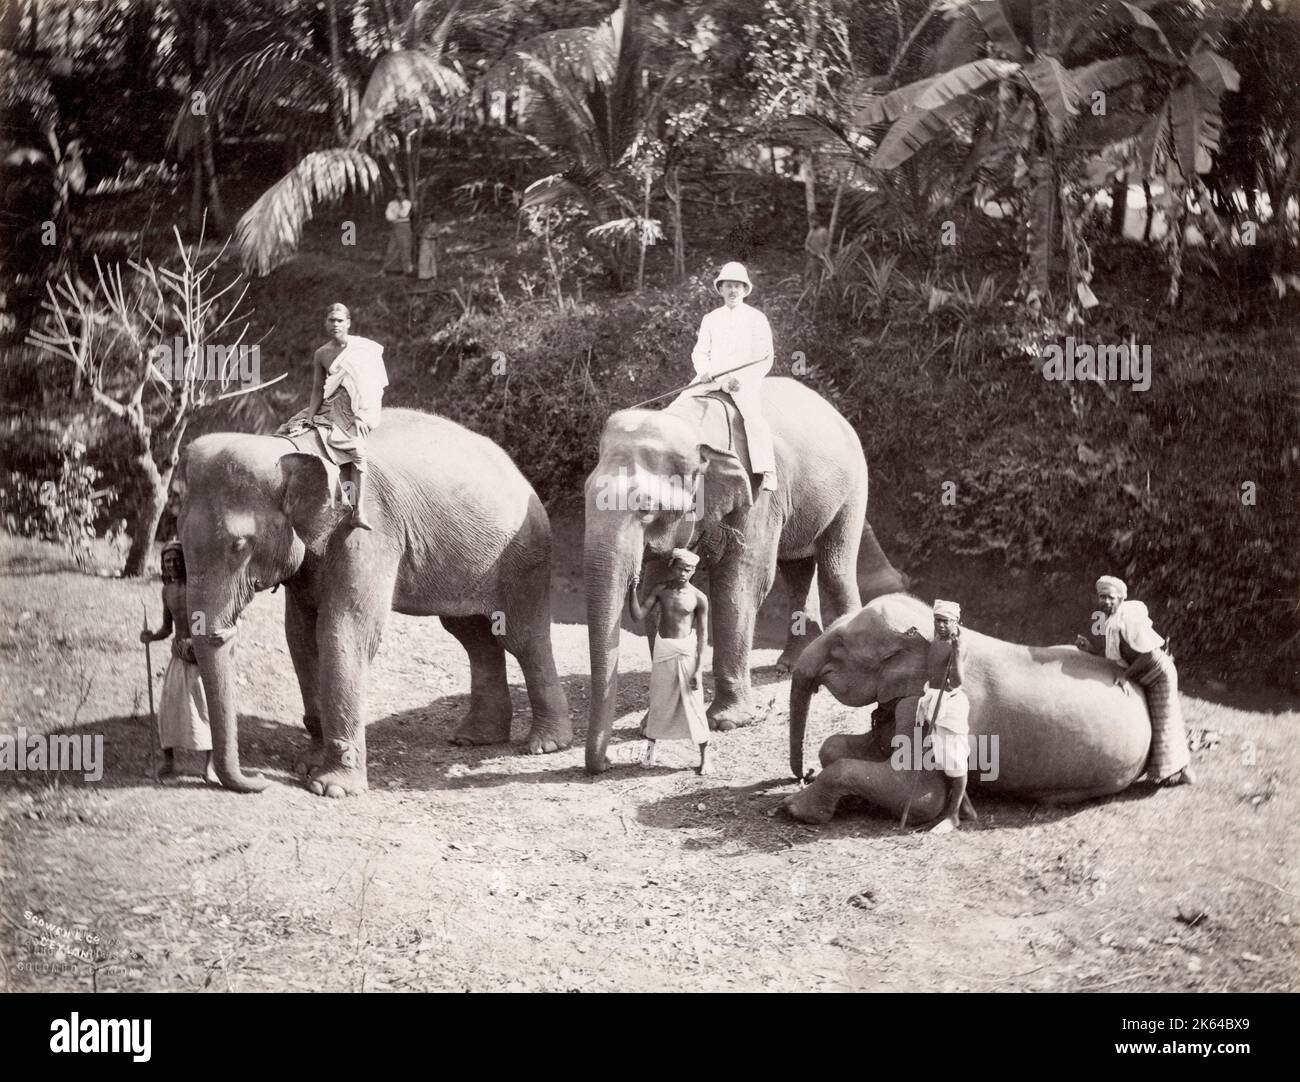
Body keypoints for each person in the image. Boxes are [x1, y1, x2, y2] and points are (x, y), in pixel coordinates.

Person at [1076, 575, 1194, 786]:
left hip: (1157, 672)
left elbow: (1148, 654)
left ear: (1121, 599)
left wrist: (1125, 675)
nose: (1106, 602)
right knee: (1146, 717)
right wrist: (1091, 650)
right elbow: (1117, 653)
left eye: (1111, 597)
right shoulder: (1109, 619)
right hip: (1138, 669)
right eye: (1102, 597)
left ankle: (1182, 771)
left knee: (1165, 719)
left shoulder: (1129, 618)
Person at [278, 303, 388, 530]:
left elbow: (373, 385)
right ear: (325, 323)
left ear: (348, 323)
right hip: (331, 404)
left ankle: (359, 511)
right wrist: (310, 414)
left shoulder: (363, 349)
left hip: (355, 408)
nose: (335, 324)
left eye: (340, 320)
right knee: (290, 431)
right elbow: (318, 388)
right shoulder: (322, 353)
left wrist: (363, 415)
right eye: (331, 320)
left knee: (357, 453)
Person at [690, 261, 777, 492]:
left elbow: (765, 357)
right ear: (720, 289)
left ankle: (767, 470)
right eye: (728, 285)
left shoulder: (757, 318)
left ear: (745, 289)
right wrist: (705, 372)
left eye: (737, 286)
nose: (733, 291)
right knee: (683, 400)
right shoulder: (711, 318)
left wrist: (742, 378)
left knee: (753, 417)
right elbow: (700, 352)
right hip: (713, 377)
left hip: (742, 381)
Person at [627, 549, 713, 775]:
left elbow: (704, 636)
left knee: (693, 703)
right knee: (658, 700)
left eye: (688, 569)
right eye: (680, 568)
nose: (683, 573)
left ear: (694, 571)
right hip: (663, 650)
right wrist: (631, 590)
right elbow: (638, 616)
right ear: (672, 567)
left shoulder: (698, 597)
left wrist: (699, 670)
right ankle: (649, 753)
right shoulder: (661, 591)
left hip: (686, 653)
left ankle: (706, 756)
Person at [140, 542, 216, 783]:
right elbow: (166, 628)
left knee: (203, 709)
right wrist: (151, 636)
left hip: (199, 657)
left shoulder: (197, 589)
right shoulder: (167, 592)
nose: (171, 564)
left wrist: (194, 646)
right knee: (168, 709)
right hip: (178, 656)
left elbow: (201, 625)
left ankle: (210, 766)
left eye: (176, 559)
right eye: (167, 561)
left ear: (185, 561)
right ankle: (169, 762)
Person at [915, 599, 976, 833]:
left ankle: (953, 816)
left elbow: (959, 680)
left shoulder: (957, 643)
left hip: (951, 703)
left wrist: (958, 653)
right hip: (934, 700)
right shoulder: (938, 640)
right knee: (943, 758)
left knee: (956, 760)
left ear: (956, 621)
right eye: (937, 621)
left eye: (945, 621)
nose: (940, 626)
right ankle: (967, 808)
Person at [378, 185, 414, 276]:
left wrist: (398, 209)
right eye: (397, 192)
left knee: (405, 247)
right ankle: (387, 269)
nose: (399, 194)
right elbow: (388, 216)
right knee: (391, 248)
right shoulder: (391, 204)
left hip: (405, 227)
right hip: (395, 227)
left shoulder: (407, 203)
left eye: (401, 192)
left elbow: (403, 213)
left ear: (404, 194)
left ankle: (406, 270)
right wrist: (396, 215)